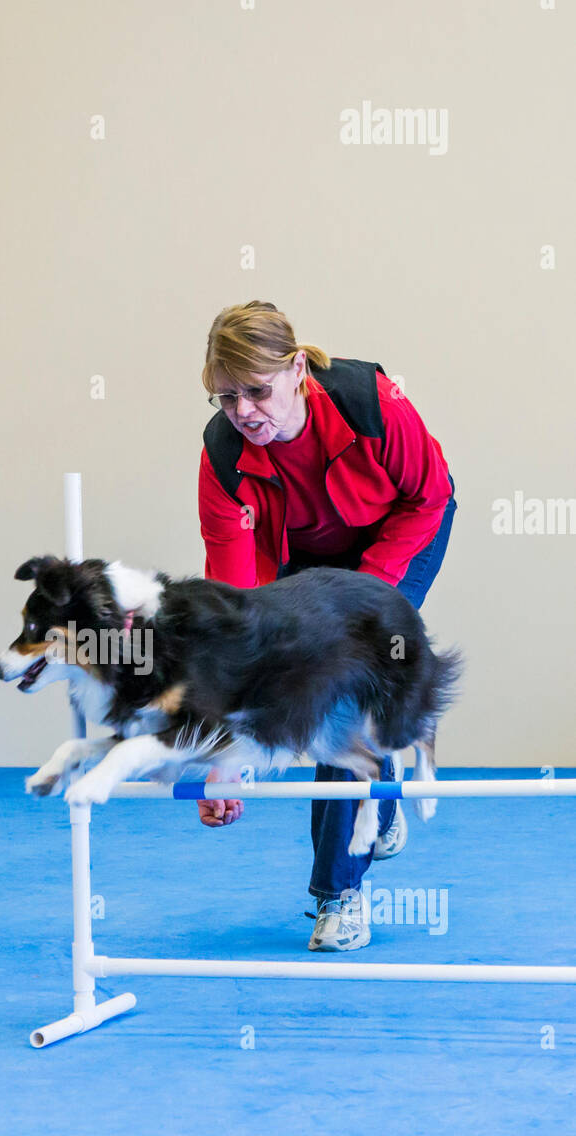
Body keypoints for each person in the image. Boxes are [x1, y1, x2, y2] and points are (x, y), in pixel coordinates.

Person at [196, 301, 456, 952]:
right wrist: (223, 757)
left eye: (257, 390)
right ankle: (383, 800)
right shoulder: (222, 460)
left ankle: (339, 895)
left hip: (406, 526)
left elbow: (426, 497)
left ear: (298, 371)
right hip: (307, 557)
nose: (244, 411)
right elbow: (237, 617)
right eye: (226, 397)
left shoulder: (374, 403)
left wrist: (362, 603)